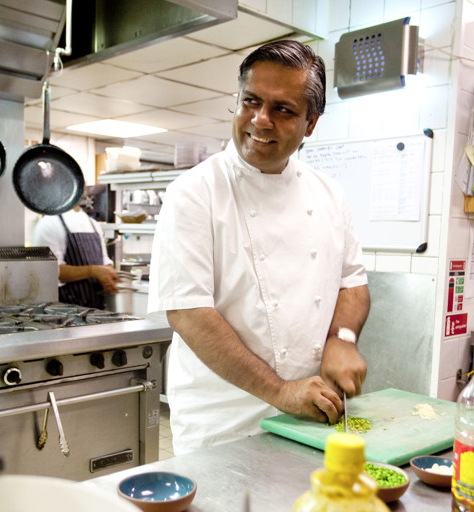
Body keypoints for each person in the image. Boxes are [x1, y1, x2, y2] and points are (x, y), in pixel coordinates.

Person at [148, 40, 371, 455]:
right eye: (250, 101)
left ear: (310, 124)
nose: (260, 120)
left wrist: (342, 339)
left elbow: (352, 283)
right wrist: (280, 391)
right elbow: (189, 313)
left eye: (282, 109)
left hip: (309, 413)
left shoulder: (329, 194)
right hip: (223, 422)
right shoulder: (194, 192)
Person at [32, 193, 120, 309]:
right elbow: (51, 272)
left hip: (96, 311)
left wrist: (108, 271)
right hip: (63, 311)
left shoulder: (93, 224)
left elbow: (104, 260)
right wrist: (92, 271)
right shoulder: (48, 224)